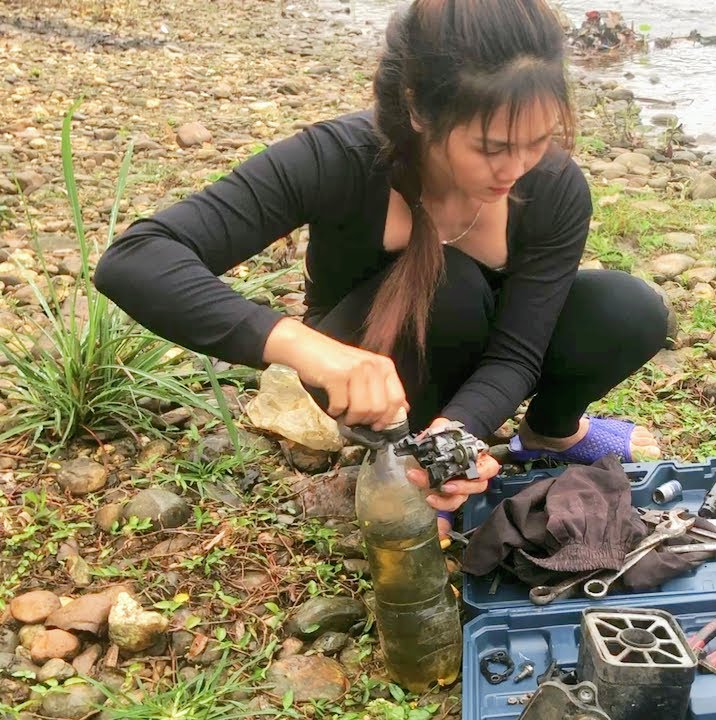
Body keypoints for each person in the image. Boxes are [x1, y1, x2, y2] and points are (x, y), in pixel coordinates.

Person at [93, 0, 669, 535]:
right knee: (450, 285)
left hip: (484, 345)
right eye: (492, 147)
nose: (516, 168)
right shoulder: (338, 158)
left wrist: (460, 433)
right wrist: (309, 350)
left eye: (538, 141)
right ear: (419, 107)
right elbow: (137, 257)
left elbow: (517, 352)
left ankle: (547, 433)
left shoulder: (553, 187)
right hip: (371, 359)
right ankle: (400, 458)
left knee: (627, 309)